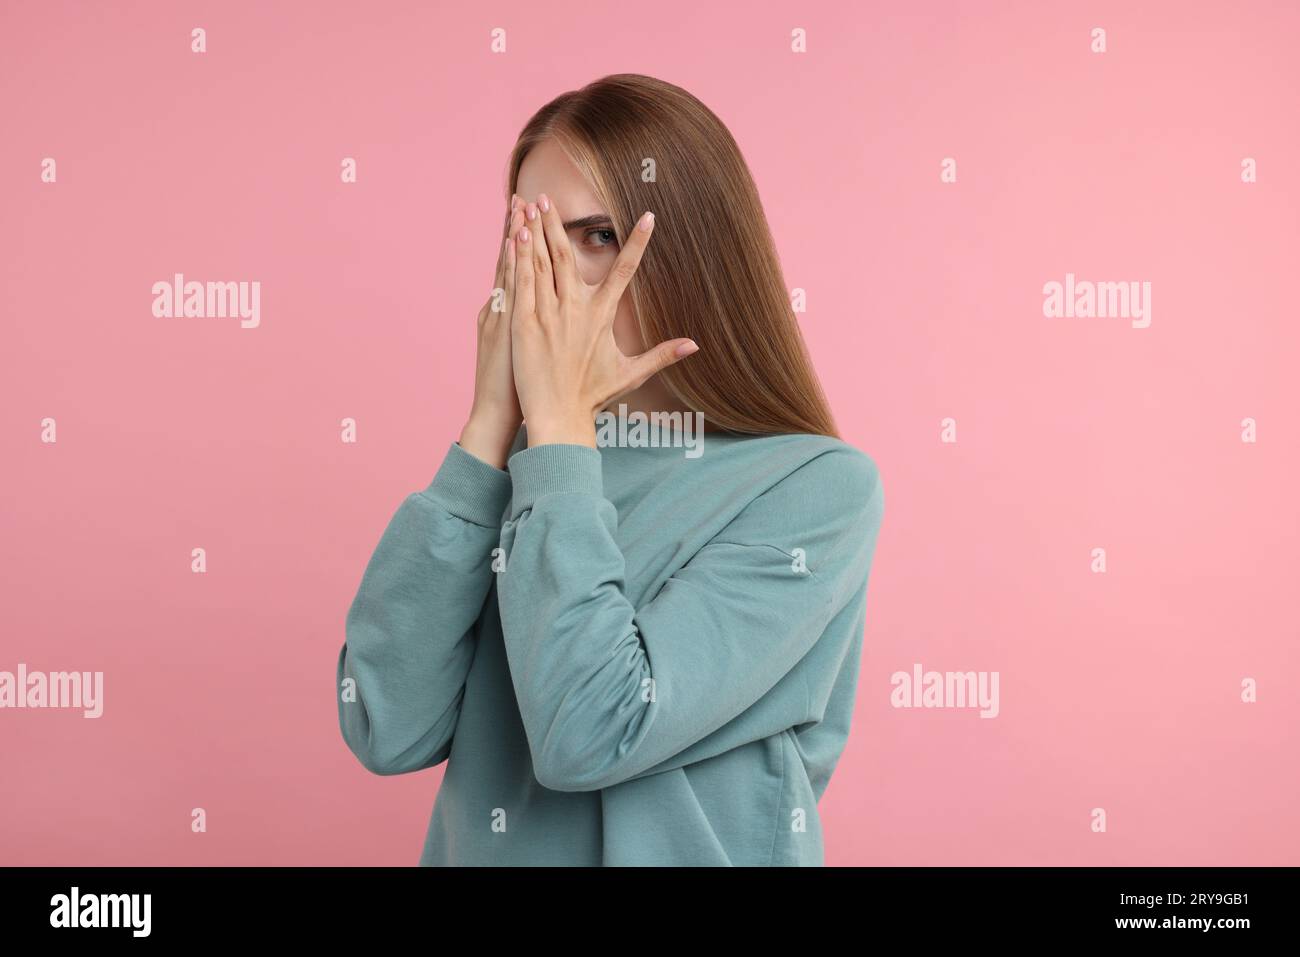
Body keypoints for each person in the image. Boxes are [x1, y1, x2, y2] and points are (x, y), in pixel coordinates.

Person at [336, 74, 885, 865]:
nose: (553, 281)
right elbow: (384, 726)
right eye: (531, 236)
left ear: (694, 253)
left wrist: (555, 431)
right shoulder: (525, 469)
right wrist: (490, 430)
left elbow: (591, 732)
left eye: (595, 235)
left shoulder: (813, 489)